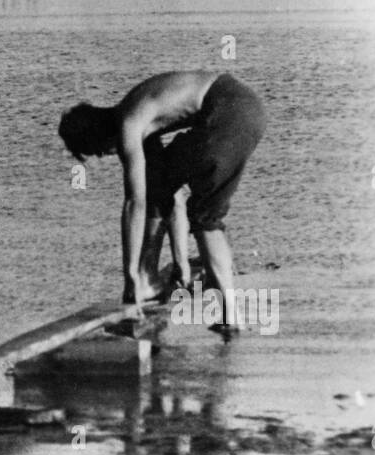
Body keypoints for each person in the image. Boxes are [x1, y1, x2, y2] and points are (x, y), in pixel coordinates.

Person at [58, 71, 266, 328]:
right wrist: (181, 265)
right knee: (162, 183)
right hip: (242, 106)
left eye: (100, 151)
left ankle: (230, 315)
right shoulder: (143, 115)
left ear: (98, 135)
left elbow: (134, 203)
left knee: (205, 218)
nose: (109, 154)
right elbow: (170, 195)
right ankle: (150, 279)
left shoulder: (129, 123)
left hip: (229, 111)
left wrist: (130, 276)